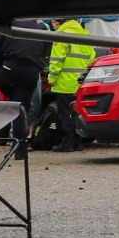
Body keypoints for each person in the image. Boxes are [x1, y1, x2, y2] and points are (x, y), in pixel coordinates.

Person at [45, 20, 95, 152]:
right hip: (80, 83)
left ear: (57, 22)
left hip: (64, 83)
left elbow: (56, 61)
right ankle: (78, 143)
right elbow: (92, 58)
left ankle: (66, 143)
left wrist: (52, 78)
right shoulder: (85, 36)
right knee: (77, 114)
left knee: (65, 114)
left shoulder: (60, 36)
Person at [0, 31, 47, 145]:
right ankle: (19, 148)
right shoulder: (39, 29)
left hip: (10, 67)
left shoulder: (9, 26)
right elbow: (45, 50)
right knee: (21, 108)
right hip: (32, 72)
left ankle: (12, 97)